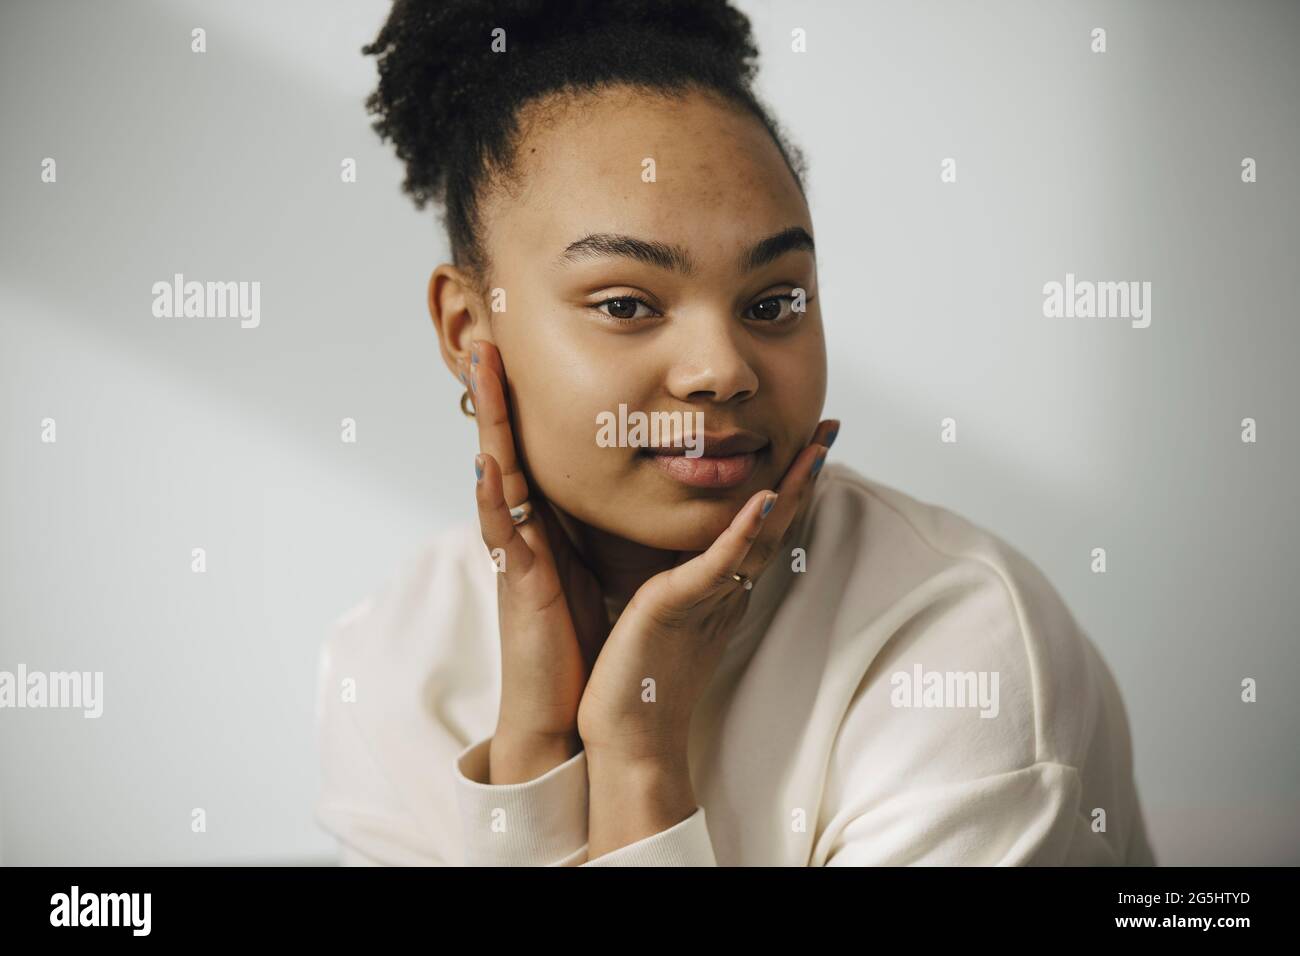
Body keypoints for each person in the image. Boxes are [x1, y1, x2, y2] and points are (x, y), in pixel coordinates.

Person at [314, 0, 1156, 866]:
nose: (723, 369)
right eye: (626, 305)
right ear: (466, 327)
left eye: (772, 303)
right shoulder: (393, 663)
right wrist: (533, 747)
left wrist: (640, 755)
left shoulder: (964, 651)